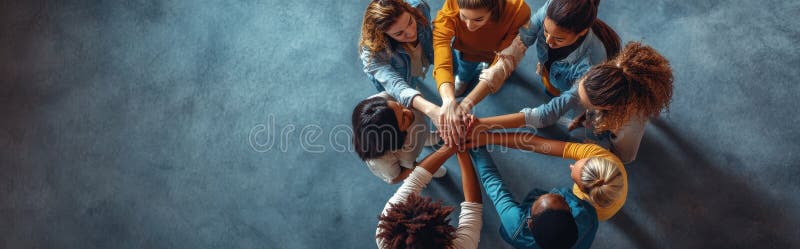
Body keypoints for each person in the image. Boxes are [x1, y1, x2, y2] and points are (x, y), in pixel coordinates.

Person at [471, 42, 673, 163]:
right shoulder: (591, 79)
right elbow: (546, 113)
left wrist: (596, 150)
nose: (579, 102)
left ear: (609, 108)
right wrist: (481, 124)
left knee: (623, 152)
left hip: (626, 129)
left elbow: (625, 157)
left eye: (588, 107)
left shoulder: (630, 122)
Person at [467, 129, 627, 221]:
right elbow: (538, 145)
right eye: (581, 160)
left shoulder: (584, 215)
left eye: (574, 179)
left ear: (584, 193)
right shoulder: (600, 156)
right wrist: (490, 137)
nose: (571, 166)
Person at [431, 0, 531, 146]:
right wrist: (448, 100)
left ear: (494, 8)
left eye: (478, 19)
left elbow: (504, 61)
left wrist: (465, 104)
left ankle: (479, 71)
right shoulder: (453, 2)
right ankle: (464, 78)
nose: (469, 26)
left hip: (497, 52)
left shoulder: (518, 11)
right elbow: (441, 45)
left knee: (493, 69)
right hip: (467, 50)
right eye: (464, 17)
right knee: (465, 68)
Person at [464, 146, 597, 249]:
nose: (554, 193)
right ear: (570, 211)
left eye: (536, 201)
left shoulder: (515, 227)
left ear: (530, 223)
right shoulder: (590, 218)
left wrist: (476, 145)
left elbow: (492, 181)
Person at [359, 0, 449, 136]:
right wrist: (431, 110)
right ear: (382, 35)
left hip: (419, 54)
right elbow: (397, 86)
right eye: (399, 33)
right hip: (397, 73)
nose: (412, 33)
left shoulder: (419, 7)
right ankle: (424, 136)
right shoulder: (372, 54)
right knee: (405, 108)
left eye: (410, 22)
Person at [376, 145, 484, 248]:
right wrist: (460, 149)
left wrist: (452, 146)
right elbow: (473, 208)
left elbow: (416, 179)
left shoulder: (386, 234)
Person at [353, 92, 446, 184]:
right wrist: (426, 166)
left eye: (400, 106)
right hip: (407, 162)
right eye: (404, 119)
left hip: (416, 131)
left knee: (421, 132)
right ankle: (418, 171)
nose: (408, 111)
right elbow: (395, 178)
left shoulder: (382, 101)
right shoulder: (384, 161)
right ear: (394, 137)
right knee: (410, 164)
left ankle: (425, 137)